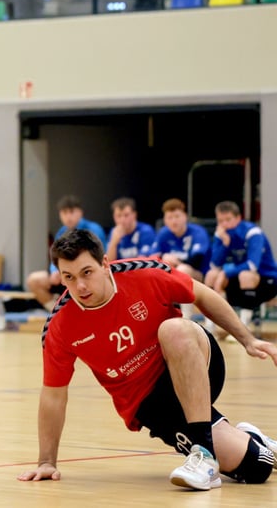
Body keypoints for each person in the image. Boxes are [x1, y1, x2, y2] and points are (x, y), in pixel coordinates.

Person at [18, 229, 277, 491]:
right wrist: (46, 461)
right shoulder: (60, 326)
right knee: (256, 466)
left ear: (104, 264)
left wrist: (248, 339)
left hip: (191, 360)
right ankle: (252, 439)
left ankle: (204, 459)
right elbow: (53, 394)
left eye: (87, 272)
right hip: (150, 404)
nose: (80, 286)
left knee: (173, 329)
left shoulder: (144, 273)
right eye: (69, 277)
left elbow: (202, 294)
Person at [204, 201, 277, 330]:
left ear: (238, 218)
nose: (224, 224)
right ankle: (209, 327)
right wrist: (224, 244)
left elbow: (252, 265)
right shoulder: (222, 234)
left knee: (246, 275)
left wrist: (226, 273)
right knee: (211, 275)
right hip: (240, 283)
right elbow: (214, 265)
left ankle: (243, 328)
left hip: (267, 282)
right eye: (221, 221)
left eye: (228, 219)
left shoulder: (252, 232)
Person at [26, 195, 107, 312]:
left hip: (86, 275)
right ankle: (58, 313)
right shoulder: (61, 232)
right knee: (33, 280)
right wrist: (55, 272)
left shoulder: (94, 229)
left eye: (71, 212)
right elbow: (56, 257)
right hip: (66, 276)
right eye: (64, 213)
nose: (68, 217)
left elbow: (100, 257)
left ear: (80, 212)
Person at [152, 198, 211, 282]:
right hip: (173, 271)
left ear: (185, 216)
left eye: (177, 216)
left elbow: (197, 261)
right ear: (165, 220)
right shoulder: (163, 233)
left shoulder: (198, 232)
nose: (174, 221)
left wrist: (177, 261)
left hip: (198, 274)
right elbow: (152, 256)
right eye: (169, 217)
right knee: (160, 268)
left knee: (181, 269)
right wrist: (163, 257)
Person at [105, 197, 156, 261]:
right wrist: (113, 244)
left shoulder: (146, 231)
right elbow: (109, 263)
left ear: (134, 215)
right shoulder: (114, 232)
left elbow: (144, 261)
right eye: (118, 216)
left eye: (126, 215)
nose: (122, 220)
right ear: (114, 217)